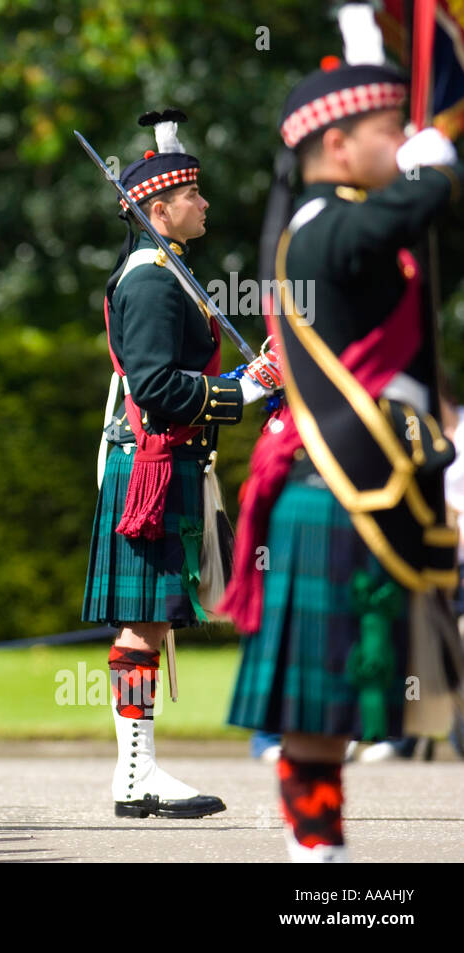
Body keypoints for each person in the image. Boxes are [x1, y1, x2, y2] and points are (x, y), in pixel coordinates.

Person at [220, 9, 464, 861]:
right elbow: (392, 220)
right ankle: (315, 858)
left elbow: (413, 235)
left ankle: (324, 853)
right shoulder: (321, 228)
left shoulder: (369, 224)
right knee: (317, 714)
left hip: (386, 481)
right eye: (389, 129)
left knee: (362, 696)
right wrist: (432, 175)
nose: (404, 140)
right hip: (338, 485)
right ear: (333, 145)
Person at [81, 109, 282, 819]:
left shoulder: (173, 271)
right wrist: (247, 389)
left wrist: (250, 380)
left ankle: (139, 772)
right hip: (153, 471)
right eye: (192, 195)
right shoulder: (150, 280)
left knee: (152, 623)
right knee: (140, 625)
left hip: (170, 468)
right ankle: (133, 776)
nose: (206, 204)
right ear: (158, 209)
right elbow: (157, 386)